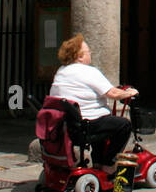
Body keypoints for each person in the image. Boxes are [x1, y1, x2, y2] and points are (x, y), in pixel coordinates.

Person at [48, 34, 137, 167]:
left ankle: (98, 162)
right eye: (89, 52)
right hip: (88, 124)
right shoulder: (88, 71)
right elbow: (112, 93)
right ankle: (108, 164)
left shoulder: (61, 71)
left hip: (71, 125)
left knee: (103, 120)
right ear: (80, 57)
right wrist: (129, 93)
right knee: (124, 125)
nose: (91, 54)